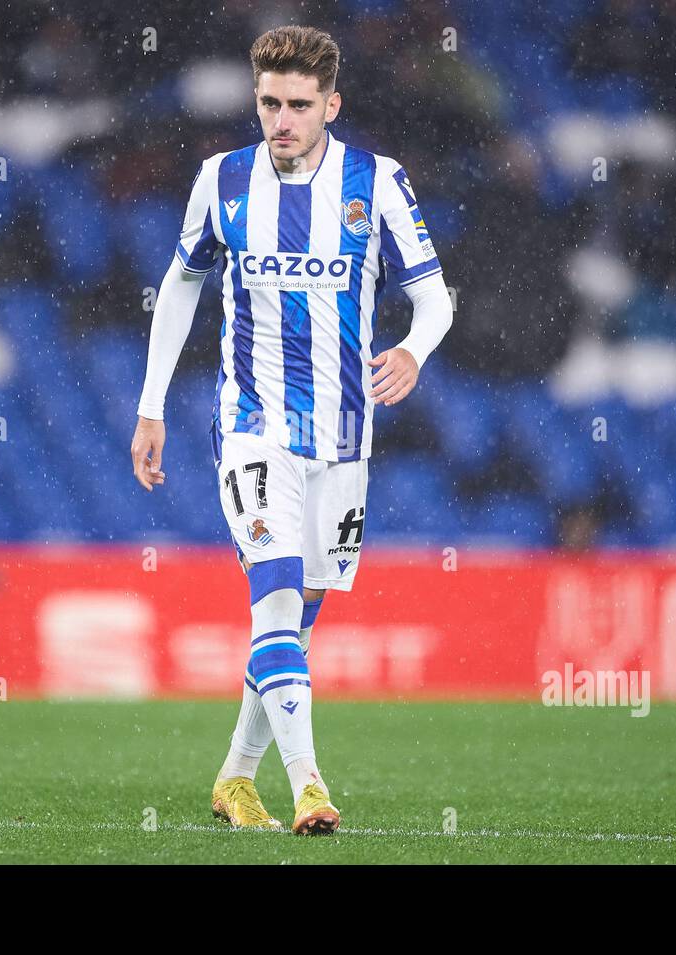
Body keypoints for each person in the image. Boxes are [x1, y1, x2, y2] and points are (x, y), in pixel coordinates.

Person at [130, 25, 453, 835]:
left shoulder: (376, 184)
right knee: (273, 599)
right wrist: (150, 404)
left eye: (298, 105)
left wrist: (413, 350)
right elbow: (181, 284)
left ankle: (236, 779)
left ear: (330, 105)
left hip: (344, 439)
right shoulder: (223, 179)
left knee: (294, 622)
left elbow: (436, 297)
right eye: (269, 102)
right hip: (253, 427)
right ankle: (311, 785)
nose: (281, 119)